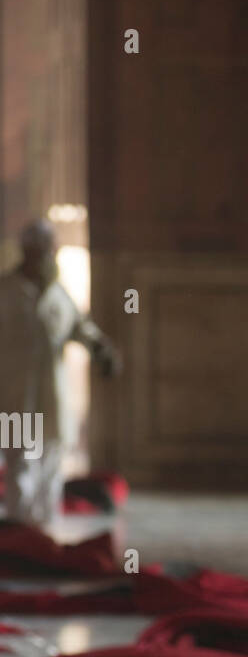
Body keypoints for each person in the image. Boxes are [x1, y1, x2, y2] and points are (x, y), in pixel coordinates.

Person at [0, 218, 119, 527]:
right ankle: (19, 540)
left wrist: (102, 351)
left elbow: (82, 328)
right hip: (15, 400)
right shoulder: (6, 292)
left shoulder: (58, 294)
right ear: (28, 251)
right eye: (43, 248)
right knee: (21, 467)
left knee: (51, 469)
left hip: (51, 399)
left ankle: (44, 536)